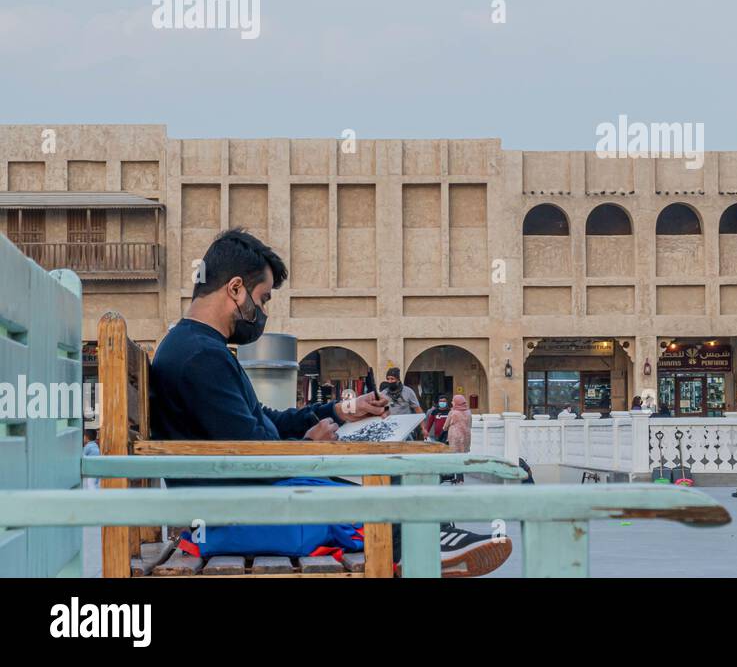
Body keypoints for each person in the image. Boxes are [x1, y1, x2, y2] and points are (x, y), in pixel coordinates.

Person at [148, 228, 511, 576]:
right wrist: (307, 448)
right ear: (236, 288)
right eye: (262, 299)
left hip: (238, 497)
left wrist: (339, 411)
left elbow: (260, 423)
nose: (262, 312)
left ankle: (430, 543)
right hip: (235, 511)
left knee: (393, 482)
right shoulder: (200, 357)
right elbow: (251, 452)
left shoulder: (197, 348)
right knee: (393, 489)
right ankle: (426, 546)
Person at [443, 394, 473, 485]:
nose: (452, 402)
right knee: (461, 458)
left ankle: (459, 479)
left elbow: (445, 426)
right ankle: (460, 479)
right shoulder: (468, 412)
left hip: (455, 438)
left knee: (456, 458)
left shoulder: (453, 412)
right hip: (466, 437)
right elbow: (470, 424)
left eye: (453, 401)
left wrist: (444, 428)